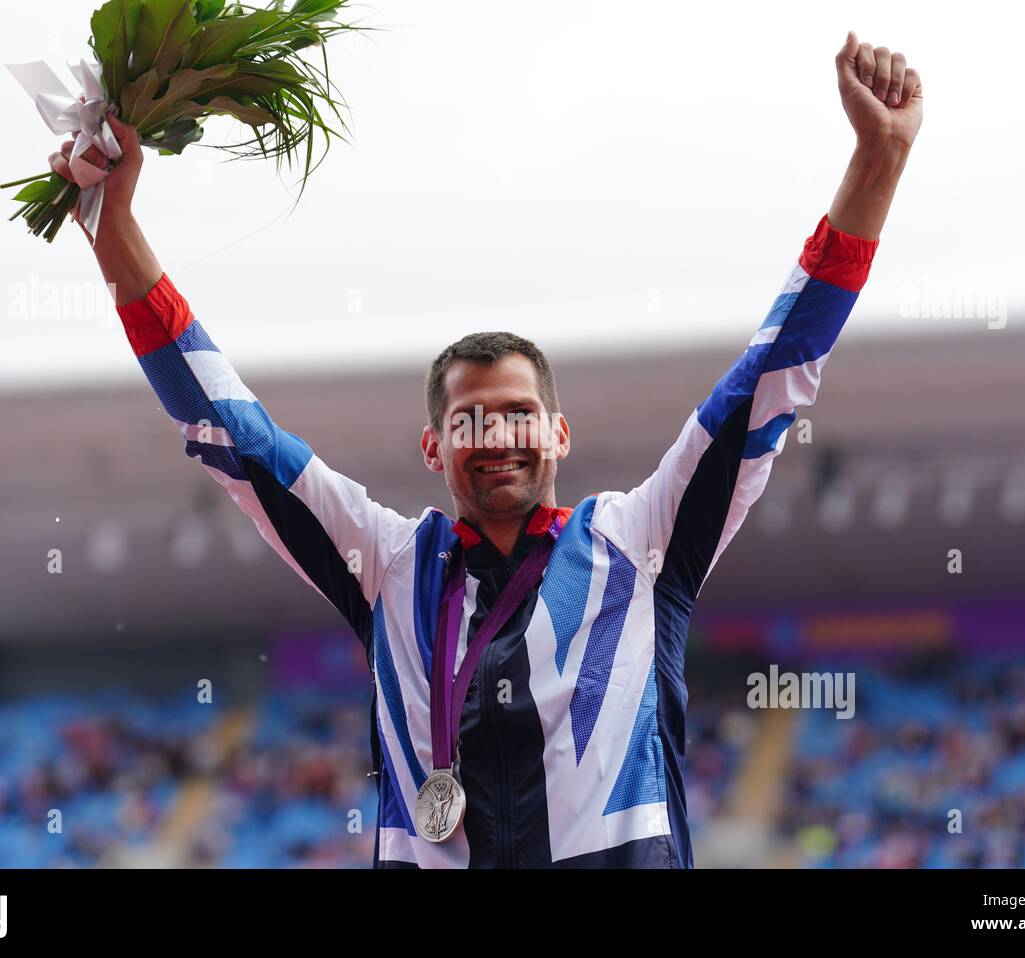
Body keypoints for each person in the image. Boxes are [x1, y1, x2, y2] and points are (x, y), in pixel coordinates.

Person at [50, 31, 921, 868]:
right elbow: (227, 429)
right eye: (470, 420)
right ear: (434, 446)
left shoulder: (641, 546)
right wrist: (109, 223)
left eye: (517, 414)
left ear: (558, 433)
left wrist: (877, 162)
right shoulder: (386, 564)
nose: (496, 436)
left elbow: (771, 376)